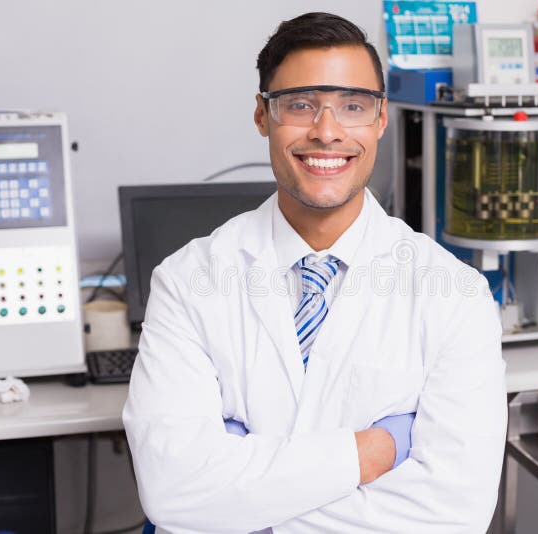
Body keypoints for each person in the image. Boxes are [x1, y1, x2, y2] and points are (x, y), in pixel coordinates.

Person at [123, 12, 506, 534]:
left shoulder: (456, 296)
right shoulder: (188, 281)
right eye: (300, 105)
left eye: (353, 106)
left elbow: (454, 514)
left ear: (380, 118)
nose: (327, 133)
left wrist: (247, 498)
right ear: (262, 116)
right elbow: (173, 492)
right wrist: (377, 451)